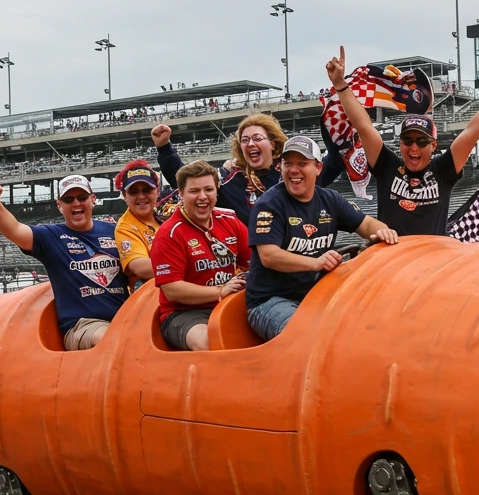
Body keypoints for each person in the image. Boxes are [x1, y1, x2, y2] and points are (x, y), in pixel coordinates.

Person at [325, 45, 479, 236]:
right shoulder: (387, 166)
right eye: (407, 140)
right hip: (390, 264)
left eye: (421, 141)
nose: (413, 147)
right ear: (400, 144)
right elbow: (363, 126)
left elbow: (473, 131)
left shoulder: (444, 170)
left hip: (432, 265)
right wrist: (341, 84)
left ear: (433, 145)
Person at [246, 136, 398, 341]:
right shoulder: (269, 204)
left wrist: (383, 231)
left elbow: (367, 224)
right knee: (308, 336)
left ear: (318, 168)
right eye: (288, 163)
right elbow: (269, 256)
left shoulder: (330, 199)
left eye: (302, 163)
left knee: (370, 320)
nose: (294, 170)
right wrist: (316, 263)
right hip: (270, 300)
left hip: (316, 293)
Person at [0, 175, 127, 350]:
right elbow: (15, 230)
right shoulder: (51, 236)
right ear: (60, 205)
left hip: (125, 318)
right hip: (83, 326)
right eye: (68, 199)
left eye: (82, 197)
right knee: (113, 339)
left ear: (93, 199)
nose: (76, 203)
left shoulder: (114, 230)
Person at [151, 115, 343, 226]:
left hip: (306, 252)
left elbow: (334, 161)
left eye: (257, 138)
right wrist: (165, 147)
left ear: (273, 143)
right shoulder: (230, 179)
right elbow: (187, 182)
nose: (251, 143)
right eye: (245, 140)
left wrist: (333, 116)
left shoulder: (295, 173)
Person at [150, 160, 250, 351]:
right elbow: (172, 289)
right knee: (208, 342)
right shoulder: (169, 233)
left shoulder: (229, 219)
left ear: (217, 191)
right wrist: (220, 291)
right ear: (181, 193)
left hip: (229, 303)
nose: (202, 197)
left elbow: (254, 263)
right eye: (194, 191)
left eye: (208, 190)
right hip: (184, 313)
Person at [112, 159, 164, 288]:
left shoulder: (165, 219)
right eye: (133, 192)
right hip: (150, 300)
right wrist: (187, 268)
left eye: (147, 190)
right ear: (124, 195)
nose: (141, 196)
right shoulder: (125, 227)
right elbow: (140, 267)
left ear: (157, 192)